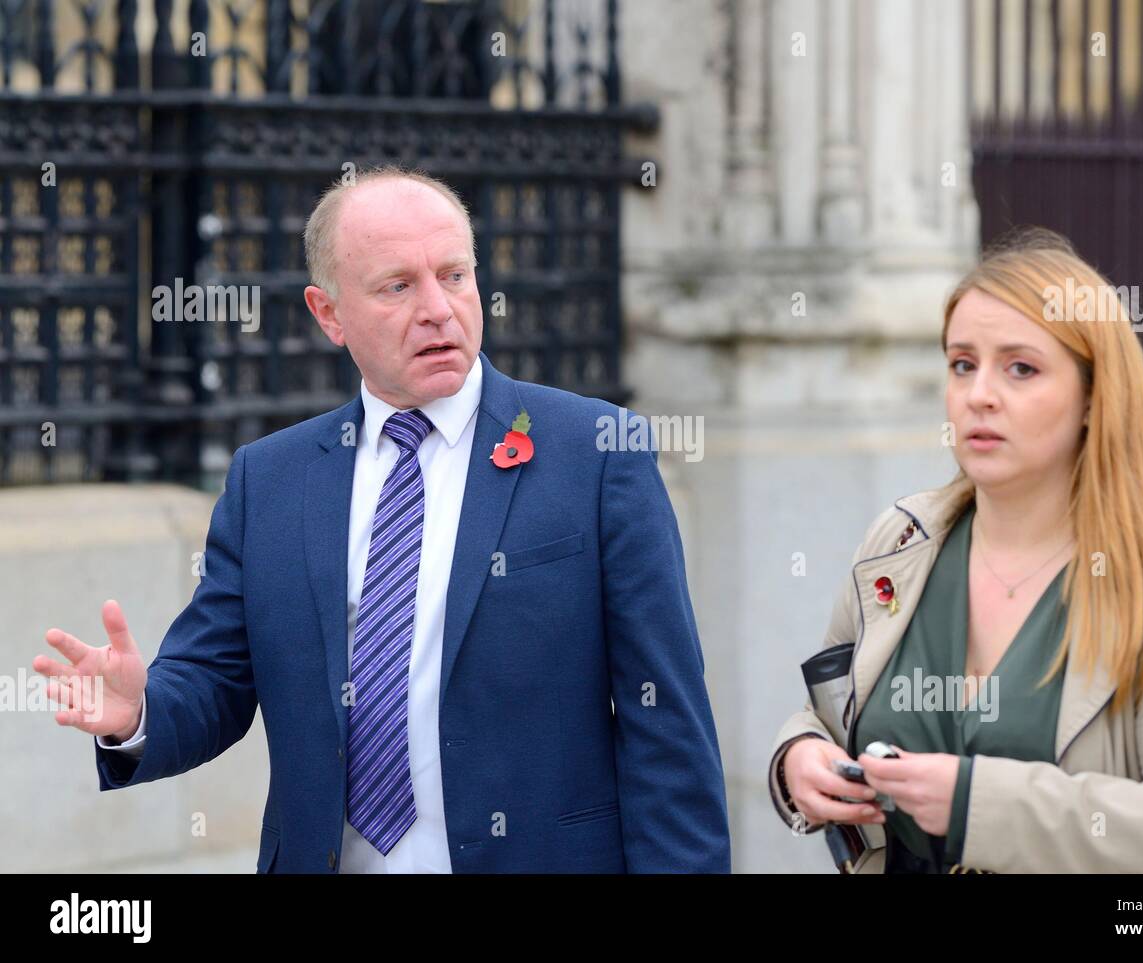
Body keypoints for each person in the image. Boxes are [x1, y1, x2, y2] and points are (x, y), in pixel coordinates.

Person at [35, 166, 730, 874]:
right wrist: (139, 711)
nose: (438, 308)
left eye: (454, 275)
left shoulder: (596, 454)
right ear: (328, 313)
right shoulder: (270, 481)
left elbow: (667, 726)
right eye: (398, 286)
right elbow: (215, 677)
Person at [768, 228, 1143, 873]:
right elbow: (827, 719)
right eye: (962, 364)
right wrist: (798, 761)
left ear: (1094, 397)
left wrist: (981, 806)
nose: (980, 393)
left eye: (1021, 367)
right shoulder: (899, 544)